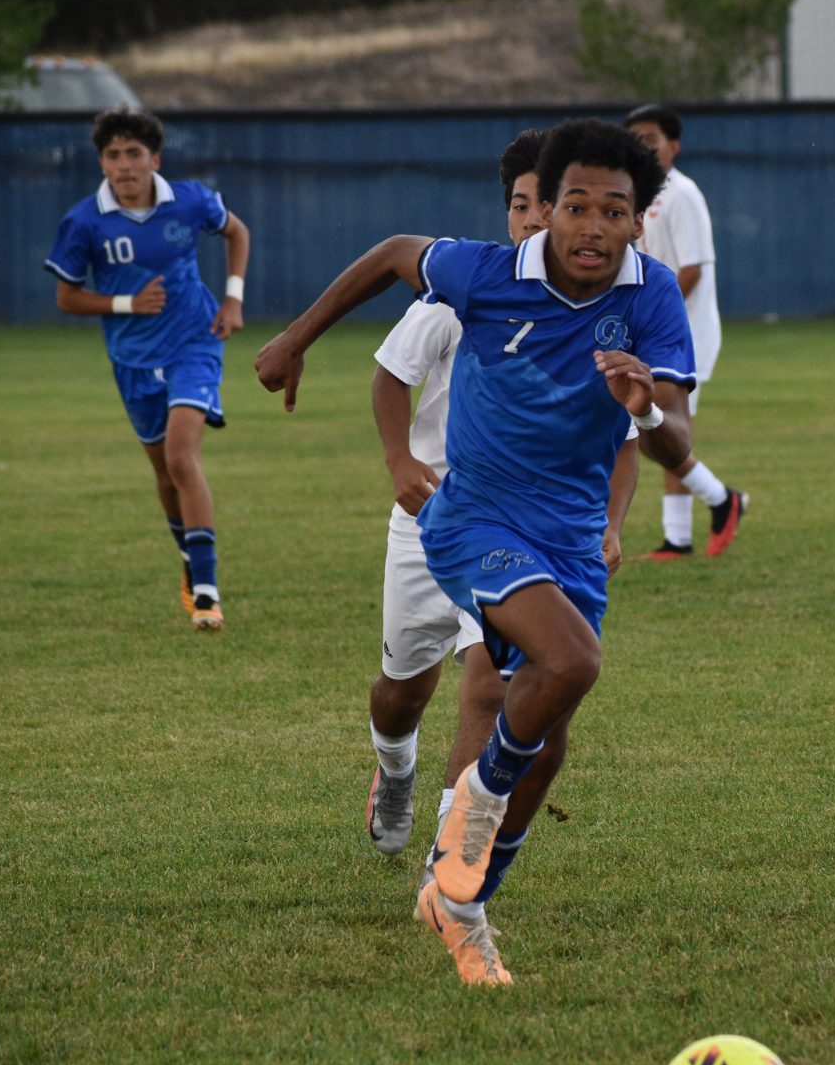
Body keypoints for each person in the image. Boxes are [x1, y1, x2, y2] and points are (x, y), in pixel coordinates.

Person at [257, 119, 692, 987]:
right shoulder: (485, 273)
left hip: (565, 535)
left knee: (552, 735)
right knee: (570, 661)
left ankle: (461, 901)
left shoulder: (652, 297)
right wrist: (296, 338)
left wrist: (643, 409)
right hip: (471, 516)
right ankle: (470, 811)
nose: (592, 227)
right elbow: (390, 254)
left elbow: (678, 444)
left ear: (641, 221)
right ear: (547, 209)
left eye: (616, 210)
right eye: (575, 205)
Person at [365, 129, 641, 916]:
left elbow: (625, 443)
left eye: (547, 206)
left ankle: (448, 865)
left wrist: (612, 523)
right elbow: (390, 373)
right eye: (522, 205)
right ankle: (394, 766)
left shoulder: (602, 312)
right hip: (432, 518)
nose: (534, 220)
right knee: (400, 692)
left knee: (489, 686)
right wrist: (397, 462)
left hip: (524, 528)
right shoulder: (470, 287)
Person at [44, 108, 251, 630]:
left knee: (183, 458)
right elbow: (67, 298)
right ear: (102, 162)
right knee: (163, 473)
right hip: (133, 360)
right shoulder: (85, 221)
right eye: (113, 155)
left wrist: (232, 299)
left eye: (134, 153)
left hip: (194, 344)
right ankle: (189, 558)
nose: (124, 165)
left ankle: (206, 592)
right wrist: (125, 305)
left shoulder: (190, 200)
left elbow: (237, 233)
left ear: (154, 159)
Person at [624, 103, 748, 559]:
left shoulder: (682, 194)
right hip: (658, 334)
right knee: (651, 429)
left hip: (685, 333)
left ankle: (703, 514)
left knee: (663, 429)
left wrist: (651, 315)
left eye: (650, 138)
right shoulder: (638, 194)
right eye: (633, 138)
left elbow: (692, 269)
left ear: (673, 146)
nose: (641, 145)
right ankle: (702, 514)